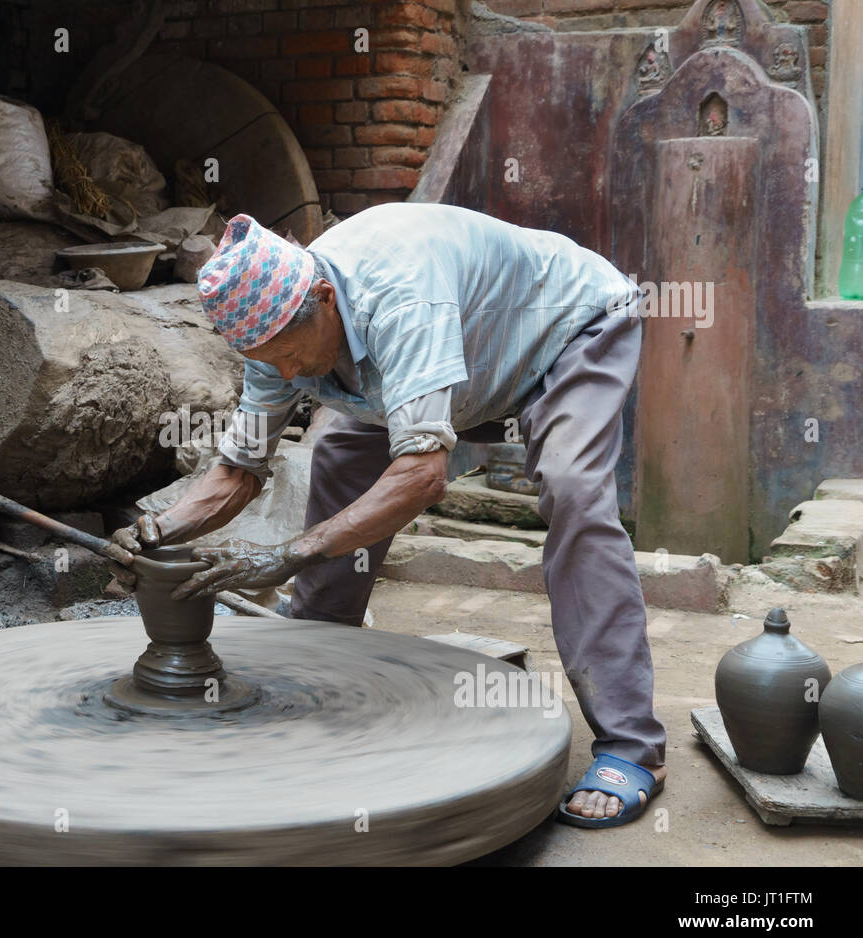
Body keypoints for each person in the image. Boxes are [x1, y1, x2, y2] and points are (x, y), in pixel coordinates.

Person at [110, 204, 666, 827]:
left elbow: (422, 477)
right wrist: (156, 532)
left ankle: (631, 743)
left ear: (323, 297)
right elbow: (238, 472)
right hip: (465, 356)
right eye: (271, 363)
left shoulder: (401, 298)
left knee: (573, 493)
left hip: (566, 329)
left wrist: (286, 554)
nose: (286, 375)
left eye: (291, 355)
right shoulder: (273, 337)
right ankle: (322, 643)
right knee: (342, 456)